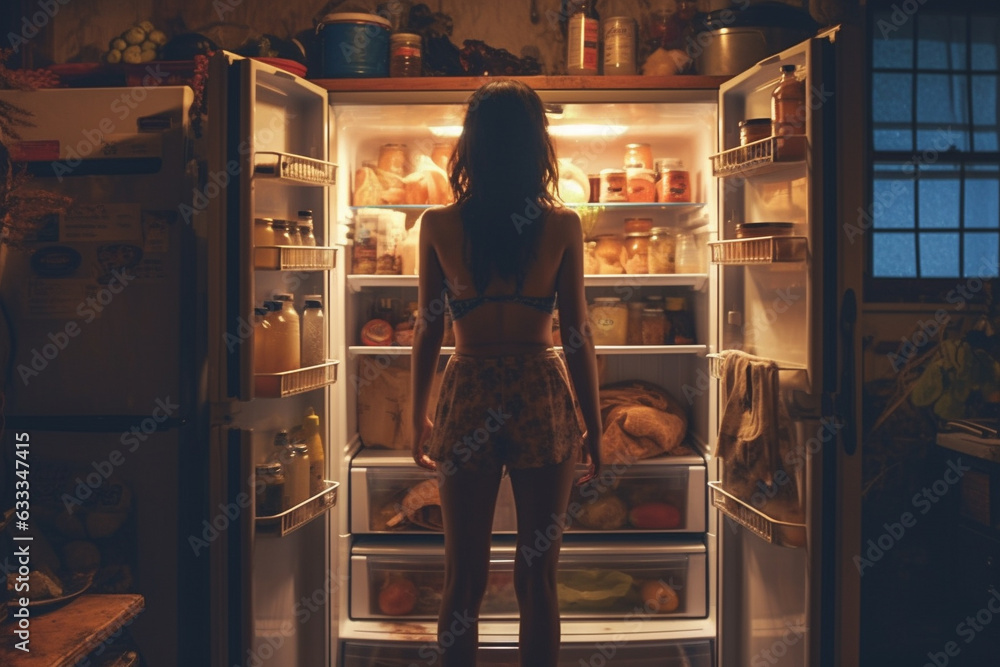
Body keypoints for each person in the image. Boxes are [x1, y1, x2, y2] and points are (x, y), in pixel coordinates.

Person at [410, 79, 602, 667]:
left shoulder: (438, 224)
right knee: (537, 576)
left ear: (470, 146)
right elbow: (577, 333)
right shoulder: (562, 224)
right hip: (539, 391)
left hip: (468, 389)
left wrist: (417, 415)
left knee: (462, 577)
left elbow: (428, 329)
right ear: (535, 147)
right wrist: (593, 426)